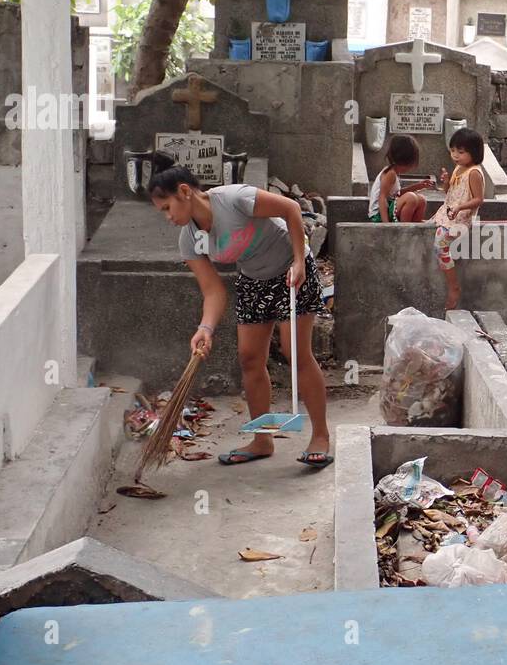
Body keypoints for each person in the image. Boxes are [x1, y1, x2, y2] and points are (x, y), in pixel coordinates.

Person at [147, 152, 332, 468]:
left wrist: (301, 261)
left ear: (184, 192)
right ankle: (263, 440)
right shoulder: (189, 240)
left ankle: (320, 436)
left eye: (167, 208)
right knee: (249, 358)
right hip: (254, 281)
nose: (167, 217)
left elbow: (290, 209)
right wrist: (205, 329)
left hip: (291, 270)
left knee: (295, 352)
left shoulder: (234, 199)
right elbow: (213, 290)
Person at [431, 128, 486, 310]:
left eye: (461, 152)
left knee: (440, 244)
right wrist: (446, 181)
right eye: (453, 150)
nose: (455, 155)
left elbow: (478, 199)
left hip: (462, 218)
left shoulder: (474, 173)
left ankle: (454, 286)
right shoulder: (459, 168)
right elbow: (450, 192)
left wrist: (460, 207)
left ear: (474, 153)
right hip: (448, 212)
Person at [368, 135, 434, 222]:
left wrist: (418, 186)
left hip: (390, 208)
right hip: (379, 215)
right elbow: (382, 197)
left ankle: (416, 225)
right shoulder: (390, 174)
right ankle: (404, 228)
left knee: (421, 200)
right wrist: (385, 225)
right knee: (411, 198)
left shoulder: (395, 173)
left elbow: (397, 194)